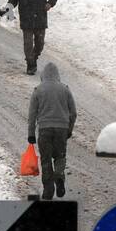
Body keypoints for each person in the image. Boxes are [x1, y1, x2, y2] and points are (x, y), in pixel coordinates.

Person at [0, 0, 58, 75]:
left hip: (40, 19)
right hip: (27, 20)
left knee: (40, 44)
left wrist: (50, 3)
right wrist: (8, 9)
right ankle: (30, 64)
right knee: (28, 44)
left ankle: (34, 57)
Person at [27, 62, 75, 200]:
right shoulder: (65, 89)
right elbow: (73, 113)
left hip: (45, 130)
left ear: (43, 75)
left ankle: (48, 189)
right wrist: (69, 129)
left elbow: (32, 115)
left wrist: (31, 133)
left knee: (46, 159)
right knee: (60, 156)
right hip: (62, 129)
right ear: (57, 75)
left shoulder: (38, 90)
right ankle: (59, 177)